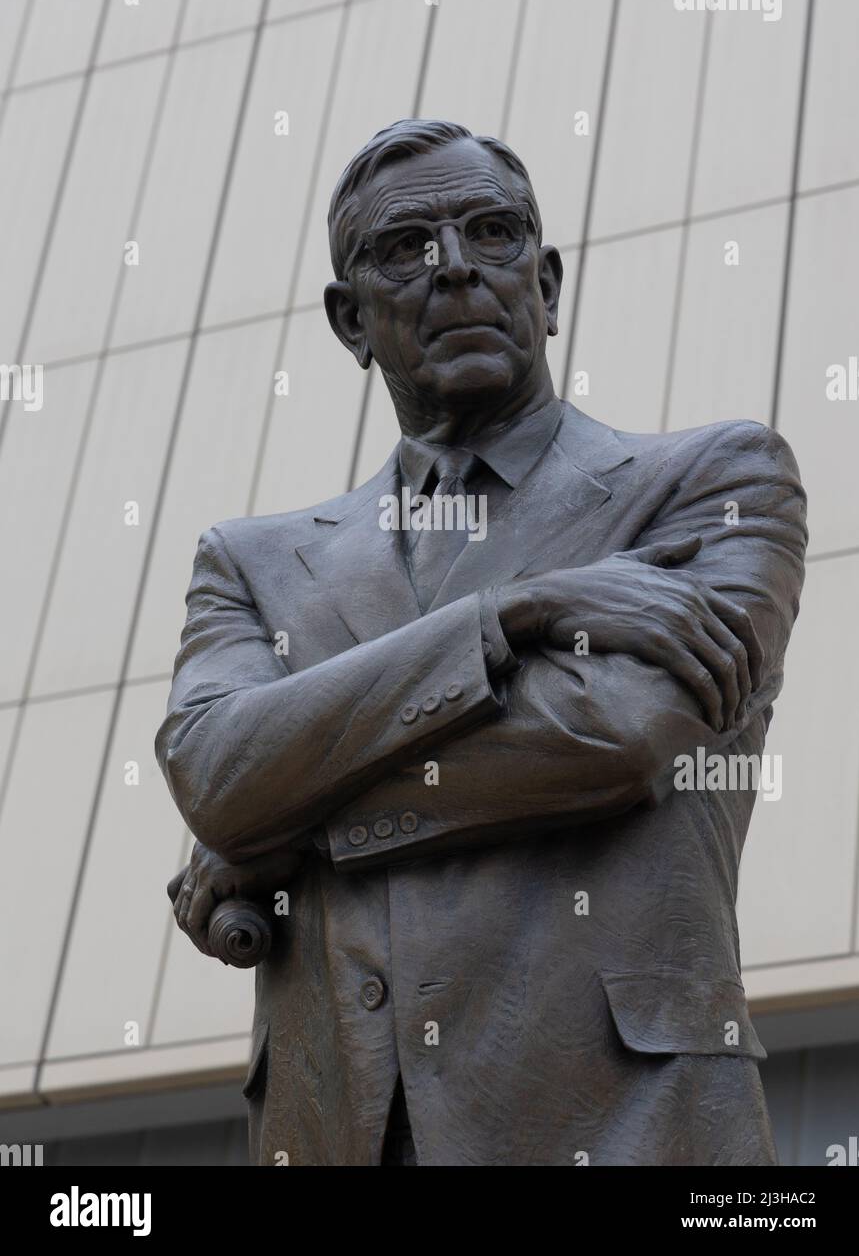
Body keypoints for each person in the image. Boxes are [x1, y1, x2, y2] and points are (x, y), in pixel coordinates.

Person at [157, 119, 807, 1166]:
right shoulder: (250, 562)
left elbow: (609, 734)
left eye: (491, 233)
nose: (454, 268)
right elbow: (215, 766)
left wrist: (277, 823)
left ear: (545, 285)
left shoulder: (709, 485)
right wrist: (511, 614)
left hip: (628, 1128)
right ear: (348, 319)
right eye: (403, 248)